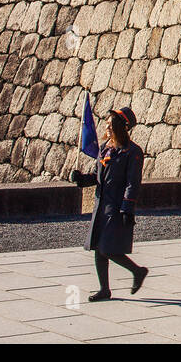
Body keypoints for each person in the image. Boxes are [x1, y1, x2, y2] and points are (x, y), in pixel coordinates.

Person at [71, 107, 148, 302]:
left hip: (116, 206)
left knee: (108, 248)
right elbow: (98, 177)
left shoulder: (133, 152)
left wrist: (127, 207)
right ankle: (104, 288)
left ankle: (137, 271)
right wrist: (81, 179)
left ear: (121, 127)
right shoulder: (106, 148)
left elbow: (133, 183)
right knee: (99, 247)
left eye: (111, 123)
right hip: (101, 205)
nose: (107, 126)